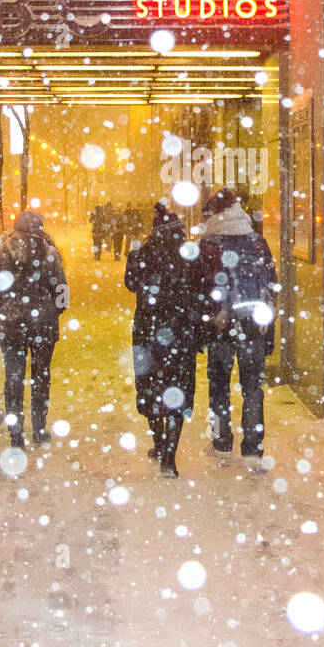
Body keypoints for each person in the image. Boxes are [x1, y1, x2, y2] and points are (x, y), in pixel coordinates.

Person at [124, 201, 205, 478]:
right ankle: (169, 456)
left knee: (149, 386)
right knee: (178, 389)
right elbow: (201, 292)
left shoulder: (142, 253)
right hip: (181, 333)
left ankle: (158, 443)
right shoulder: (190, 254)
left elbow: (130, 283)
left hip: (148, 329)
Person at [199, 188, 279, 459]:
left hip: (220, 325)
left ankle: (221, 441)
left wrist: (208, 317)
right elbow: (271, 283)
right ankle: (253, 446)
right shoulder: (257, 242)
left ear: (214, 213)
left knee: (218, 387)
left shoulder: (209, 244)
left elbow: (201, 287)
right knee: (253, 388)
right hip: (254, 323)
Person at [0, 209, 68, 449]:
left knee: (13, 380)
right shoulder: (50, 253)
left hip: (12, 324)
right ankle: (40, 430)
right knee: (41, 377)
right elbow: (61, 292)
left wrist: (2, 310)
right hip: (43, 325)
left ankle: (16, 435)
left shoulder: (1, 252)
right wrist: (49, 312)